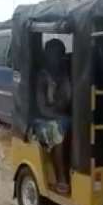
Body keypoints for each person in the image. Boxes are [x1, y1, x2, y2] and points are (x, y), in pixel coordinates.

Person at [32, 39, 73, 194]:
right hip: (44, 120)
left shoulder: (67, 73)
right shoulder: (43, 77)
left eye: (60, 54)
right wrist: (62, 116)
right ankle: (61, 177)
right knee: (59, 128)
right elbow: (43, 109)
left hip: (65, 116)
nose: (58, 58)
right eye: (54, 54)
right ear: (47, 56)